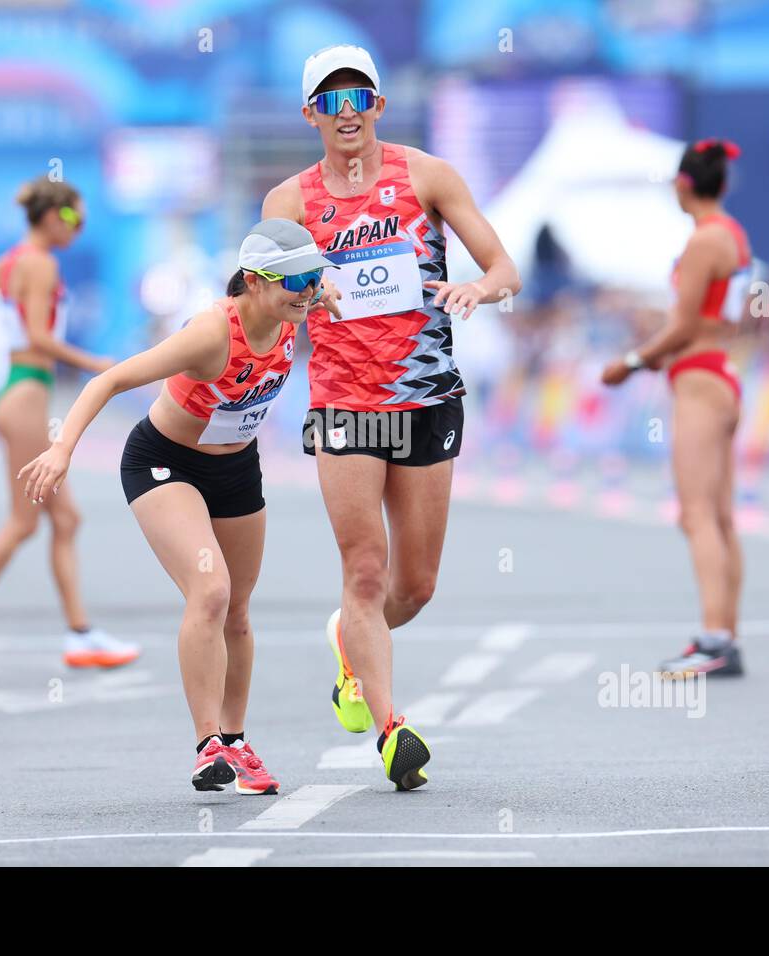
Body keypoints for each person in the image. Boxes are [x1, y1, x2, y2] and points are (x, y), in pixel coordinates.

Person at [262, 44, 521, 790]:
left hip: (428, 395)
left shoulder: (429, 176)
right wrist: (305, 297)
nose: (346, 112)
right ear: (310, 113)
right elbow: (263, 297)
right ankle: (390, 729)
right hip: (344, 400)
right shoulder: (289, 203)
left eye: (359, 98)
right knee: (366, 570)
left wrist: (480, 290)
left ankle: (347, 643)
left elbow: (506, 267)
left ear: (378, 106)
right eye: (330, 100)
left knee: (416, 586)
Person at [19, 219, 334, 793]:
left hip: (236, 467)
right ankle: (206, 744)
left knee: (238, 609)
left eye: (316, 279)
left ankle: (237, 744)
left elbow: (326, 295)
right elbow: (110, 380)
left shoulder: (297, 306)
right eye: (300, 281)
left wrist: (327, 291)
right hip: (166, 462)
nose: (311, 291)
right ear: (257, 282)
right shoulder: (210, 333)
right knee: (210, 591)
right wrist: (62, 449)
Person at [0, 177, 136, 679]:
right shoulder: (40, 264)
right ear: (50, 217)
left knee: (66, 520)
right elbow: (41, 339)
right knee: (23, 522)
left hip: (17, 393)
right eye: (73, 218)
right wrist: (98, 365)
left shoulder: (11, 260)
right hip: (24, 397)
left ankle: (80, 634)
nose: (79, 228)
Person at [601, 139, 750, 677]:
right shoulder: (732, 234)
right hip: (721, 373)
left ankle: (715, 638)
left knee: (696, 515)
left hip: (700, 378)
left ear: (683, 186)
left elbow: (684, 324)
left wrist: (634, 361)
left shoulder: (704, 241)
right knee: (721, 516)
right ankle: (725, 635)